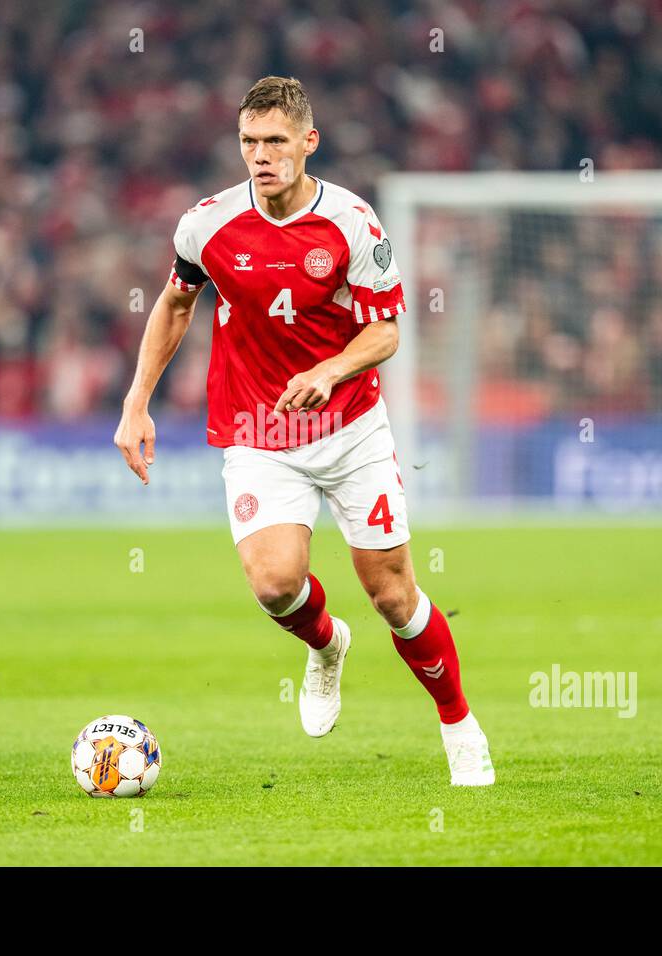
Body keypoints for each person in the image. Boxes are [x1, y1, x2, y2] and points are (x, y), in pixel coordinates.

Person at [113, 76, 493, 785]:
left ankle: (458, 723)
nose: (261, 157)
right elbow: (174, 305)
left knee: (393, 595)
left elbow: (384, 333)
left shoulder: (352, 223)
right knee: (273, 585)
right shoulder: (207, 225)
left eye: (276, 142)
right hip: (257, 428)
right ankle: (325, 645)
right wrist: (137, 403)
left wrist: (332, 369)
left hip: (349, 428)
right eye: (249, 143)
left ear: (308, 143)